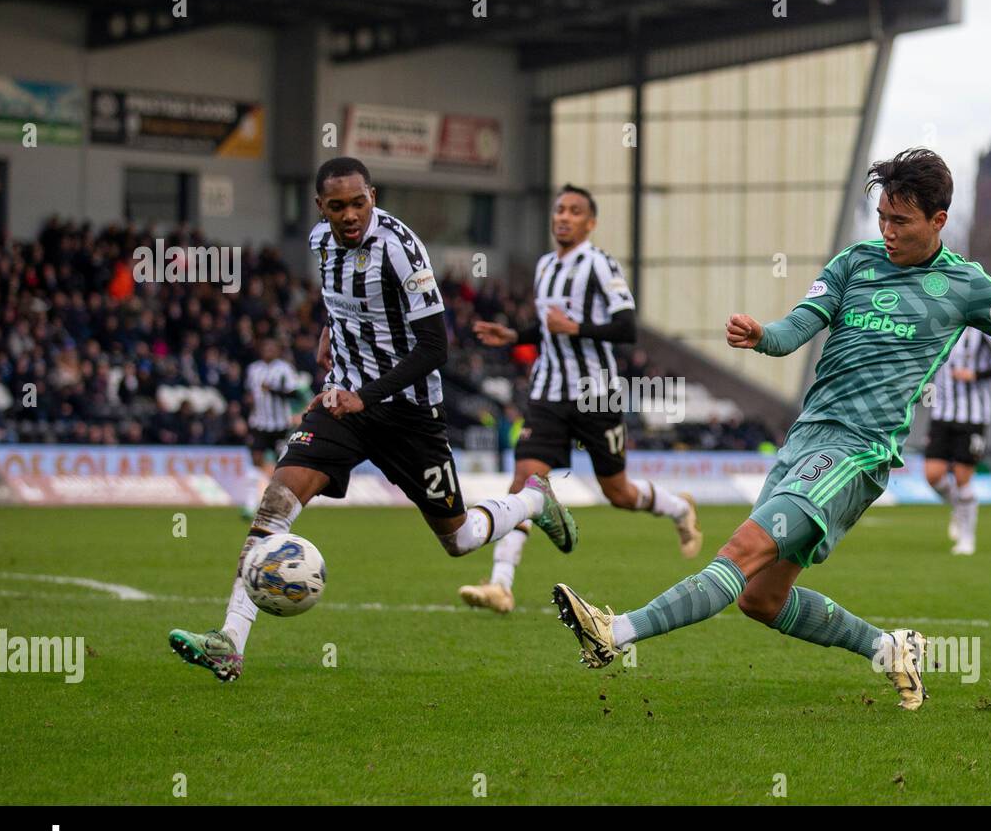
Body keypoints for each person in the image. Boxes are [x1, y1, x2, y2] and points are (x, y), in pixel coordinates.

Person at [550, 148, 991, 710]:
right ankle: (889, 649)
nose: (887, 231)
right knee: (760, 599)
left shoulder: (966, 285)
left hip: (858, 453)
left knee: (741, 551)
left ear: (938, 220)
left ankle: (615, 632)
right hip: (805, 440)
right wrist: (764, 335)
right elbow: (798, 327)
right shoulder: (855, 262)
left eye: (900, 221)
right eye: (881, 217)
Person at [168, 157, 578, 682]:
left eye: (358, 203)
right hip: (342, 405)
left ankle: (534, 500)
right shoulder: (320, 242)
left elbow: (435, 347)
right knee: (275, 505)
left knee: (459, 539)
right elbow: (339, 300)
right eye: (337, 206)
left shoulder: (401, 249)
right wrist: (330, 334)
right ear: (321, 207)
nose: (349, 215)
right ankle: (230, 642)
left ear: (373, 197)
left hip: (409, 414)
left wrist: (366, 396)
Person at [459, 184, 701, 614]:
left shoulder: (600, 265)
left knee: (618, 492)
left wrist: (575, 328)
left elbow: (626, 328)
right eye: (559, 210)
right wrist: (515, 335)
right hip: (548, 393)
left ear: (590, 223)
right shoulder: (545, 266)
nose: (564, 217)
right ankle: (500, 584)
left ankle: (679, 508)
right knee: (525, 482)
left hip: (595, 394)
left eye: (574, 211)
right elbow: (547, 329)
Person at [923, 327, 991, 555]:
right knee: (932, 475)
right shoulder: (943, 325)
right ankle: (959, 507)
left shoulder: (983, 330)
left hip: (973, 417)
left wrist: (975, 375)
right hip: (941, 413)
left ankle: (966, 538)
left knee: (962, 477)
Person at [240, 337, 299, 520]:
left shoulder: (284, 369)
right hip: (259, 424)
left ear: (278, 351)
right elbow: (250, 394)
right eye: (265, 348)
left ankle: (279, 505)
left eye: (272, 348)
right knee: (256, 461)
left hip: (280, 426)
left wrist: (272, 390)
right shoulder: (253, 369)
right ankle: (250, 505)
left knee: (281, 466)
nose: (268, 351)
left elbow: (294, 394)